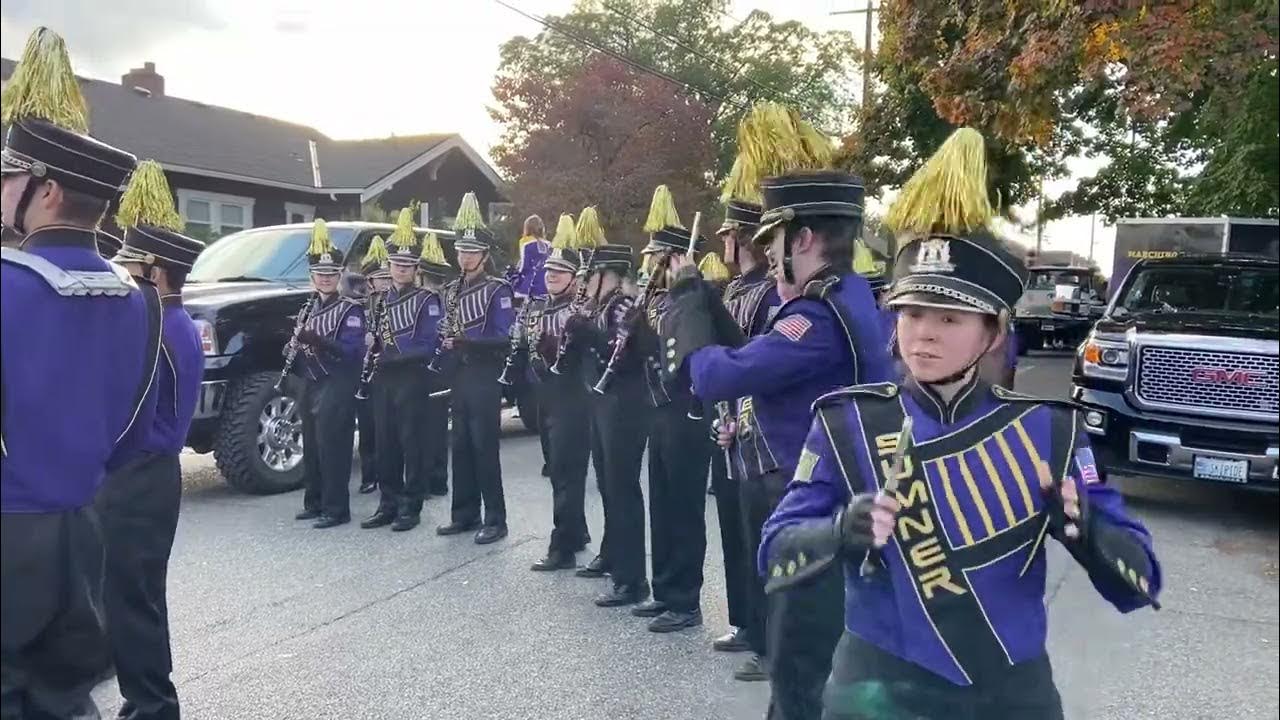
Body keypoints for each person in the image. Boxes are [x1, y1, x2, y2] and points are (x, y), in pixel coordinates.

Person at [760, 128, 1161, 720]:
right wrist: (838, 530)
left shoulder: (1050, 432)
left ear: (992, 333)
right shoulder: (848, 423)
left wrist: (1089, 534)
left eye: (949, 317)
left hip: (1009, 693)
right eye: (912, 313)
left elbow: (1140, 584)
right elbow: (774, 554)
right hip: (878, 690)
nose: (924, 331)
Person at [659, 102, 893, 717]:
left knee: (798, 676)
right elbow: (758, 356)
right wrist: (709, 303)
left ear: (805, 239)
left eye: (774, 240)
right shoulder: (846, 297)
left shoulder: (815, 317)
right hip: (843, 503)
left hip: (814, 508)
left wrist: (685, 302)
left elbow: (714, 375)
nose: (765, 254)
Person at [1, 26, 159, 718]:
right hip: (86, 527)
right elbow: (131, 437)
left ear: (50, 191)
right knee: (66, 699)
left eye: (11, 176)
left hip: (8, 532)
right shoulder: (143, 302)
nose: (1, 188)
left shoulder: (7, 285)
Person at [101, 160, 206, 720]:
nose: (126, 274)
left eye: (134, 264)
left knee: (132, 600)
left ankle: (151, 705)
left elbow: (127, 413)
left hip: (140, 473)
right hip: (155, 476)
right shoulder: (176, 322)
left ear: (157, 272)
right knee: (139, 595)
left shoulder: (157, 329)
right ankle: (147, 700)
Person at [706, 199, 781, 682]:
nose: (725, 245)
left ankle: (771, 638)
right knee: (734, 531)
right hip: (728, 419)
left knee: (762, 538)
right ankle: (746, 623)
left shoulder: (771, 293)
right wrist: (722, 415)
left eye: (730, 235)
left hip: (758, 427)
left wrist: (741, 417)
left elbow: (756, 361)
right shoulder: (734, 287)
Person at [630, 216, 715, 635]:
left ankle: (686, 601)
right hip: (658, 413)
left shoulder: (692, 297)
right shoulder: (656, 300)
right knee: (661, 505)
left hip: (687, 413)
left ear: (674, 259)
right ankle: (664, 589)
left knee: (684, 509)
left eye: (655, 258)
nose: (648, 266)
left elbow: (688, 352)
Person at [565, 243, 653, 607]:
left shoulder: (621, 305)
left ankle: (631, 579)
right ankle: (613, 555)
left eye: (591, 274)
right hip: (601, 401)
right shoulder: (600, 305)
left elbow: (625, 351)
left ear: (607, 274)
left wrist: (589, 333)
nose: (586, 281)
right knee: (606, 485)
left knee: (622, 489)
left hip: (623, 405)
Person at [435, 192, 515, 545]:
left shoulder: (498, 290)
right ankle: (463, 514)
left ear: (484, 256)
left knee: (485, 447)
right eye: (462, 252)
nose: (465, 258)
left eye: (472, 253)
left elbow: (504, 338)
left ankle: (495, 519)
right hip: (459, 376)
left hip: (485, 375)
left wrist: (464, 342)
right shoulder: (450, 290)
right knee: (461, 445)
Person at [361, 211, 441, 532]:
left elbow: (428, 345)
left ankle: (411, 506)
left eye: (407, 266)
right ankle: (387, 503)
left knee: (412, 443)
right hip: (384, 380)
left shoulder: (427, 300)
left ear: (416, 268)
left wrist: (392, 354)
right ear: (390, 266)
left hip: (412, 378)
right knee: (386, 443)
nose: (402, 269)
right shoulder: (379, 301)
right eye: (397, 265)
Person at [291, 219, 365, 529]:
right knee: (311, 442)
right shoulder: (308, 307)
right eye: (320, 275)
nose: (325, 279)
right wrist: (292, 350)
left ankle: (337, 509)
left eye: (331, 275)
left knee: (332, 445)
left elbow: (352, 352)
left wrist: (317, 341)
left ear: (339, 276)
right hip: (311, 381)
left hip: (338, 382)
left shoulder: (351, 309)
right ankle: (315, 501)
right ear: (312, 277)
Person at [528, 241, 592, 570]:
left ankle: (561, 548)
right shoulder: (538, 307)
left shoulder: (581, 309)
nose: (552, 276)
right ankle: (577, 530)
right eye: (550, 271)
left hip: (574, 398)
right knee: (556, 469)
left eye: (561, 272)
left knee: (567, 472)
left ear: (574, 278)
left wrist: (554, 348)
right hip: (547, 395)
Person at [418, 232, 455, 498]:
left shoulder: (433, 301)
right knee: (433, 427)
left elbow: (433, 336)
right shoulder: (439, 298)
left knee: (433, 427)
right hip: (434, 367)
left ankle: (436, 478)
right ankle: (435, 478)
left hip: (436, 367)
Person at [356, 235, 392, 495]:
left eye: (388, 277)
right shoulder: (358, 307)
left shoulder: (396, 303)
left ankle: (390, 475)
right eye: (381, 278)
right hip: (365, 374)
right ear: (369, 281)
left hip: (390, 371)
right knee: (368, 428)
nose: (386, 282)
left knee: (390, 429)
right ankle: (369, 476)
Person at [512, 214, 551, 303]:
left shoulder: (526, 244)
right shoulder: (549, 245)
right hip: (546, 285)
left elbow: (524, 267)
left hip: (530, 285)